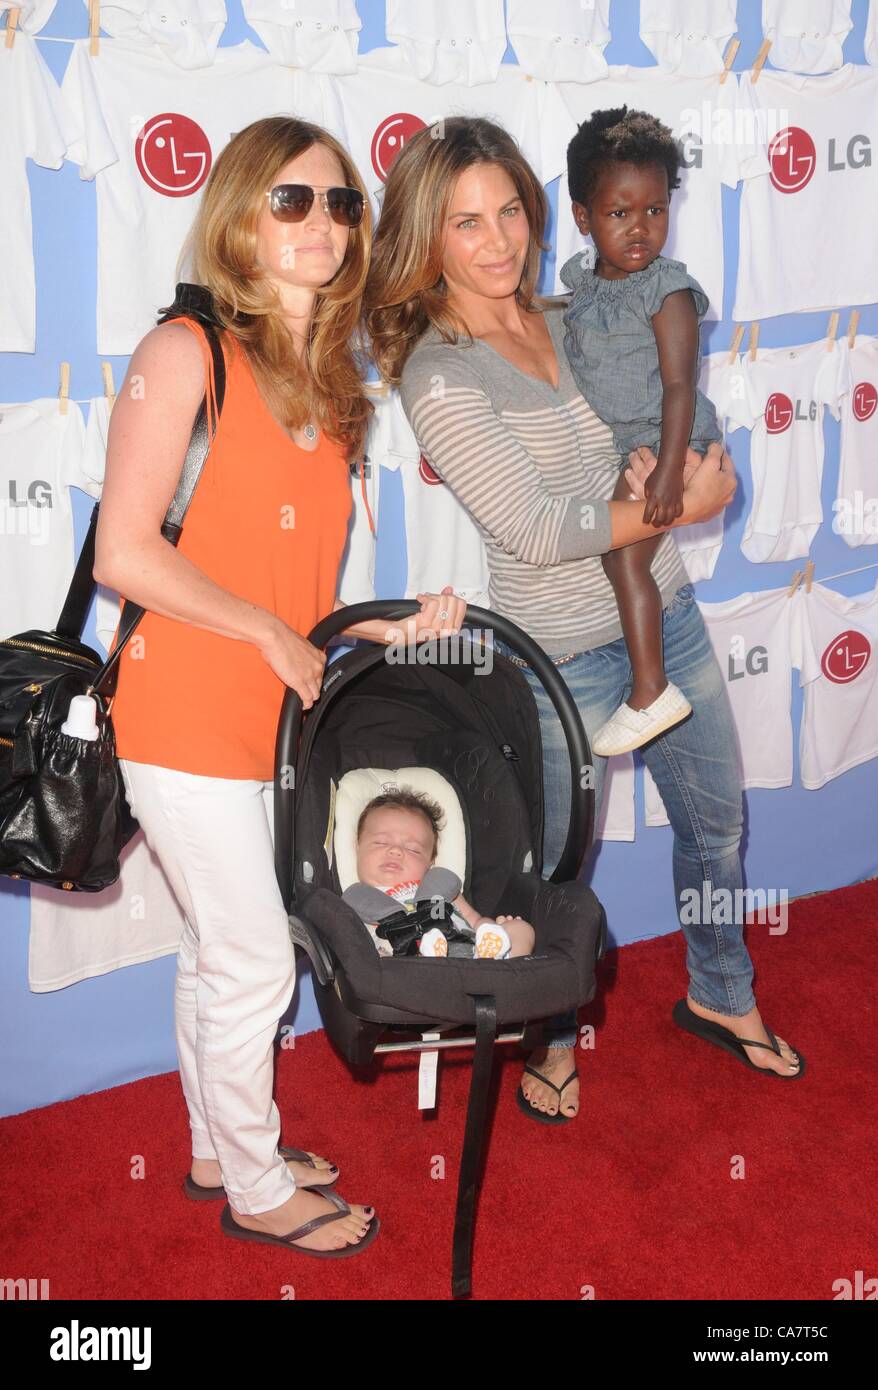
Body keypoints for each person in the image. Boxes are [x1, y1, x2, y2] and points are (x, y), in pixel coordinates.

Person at [364, 115, 804, 1123]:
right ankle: (549, 1034)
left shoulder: (574, 312)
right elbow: (533, 524)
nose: (495, 242)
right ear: (427, 237)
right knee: (555, 868)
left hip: (668, 614)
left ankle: (718, 991)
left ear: (535, 208)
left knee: (718, 826)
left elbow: (660, 405)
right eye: (463, 222)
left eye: (507, 211)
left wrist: (699, 467)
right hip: (558, 658)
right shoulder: (441, 371)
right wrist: (679, 506)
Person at [95, 116, 467, 1257]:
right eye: (291, 200)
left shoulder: (328, 380)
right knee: (255, 956)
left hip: (268, 723)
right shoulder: (184, 352)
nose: (322, 223)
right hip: (177, 712)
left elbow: (289, 587)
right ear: (241, 217)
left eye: (341, 202)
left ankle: (218, 1146)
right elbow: (124, 553)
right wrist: (264, 628)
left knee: (218, 950)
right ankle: (255, 1188)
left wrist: (385, 621)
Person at [560, 105, 724, 758]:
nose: (640, 229)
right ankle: (650, 683)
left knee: (622, 556)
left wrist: (667, 466)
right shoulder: (583, 287)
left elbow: (681, 386)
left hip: (673, 442)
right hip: (637, 448)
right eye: (619, 213)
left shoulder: (668, 290)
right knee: (616, 555)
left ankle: (649, 688)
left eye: (655, 211)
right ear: (584, 217)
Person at [343, 788, 535, 959]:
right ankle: (430, 957)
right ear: (358, 848)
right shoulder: (357, 904)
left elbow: (475, 920)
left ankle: (495, 960)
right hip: (407, 963)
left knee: (522, 929)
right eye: (381, 843)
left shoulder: (439, 887)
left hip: (470, 952)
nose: (396, 851)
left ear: (430, 862)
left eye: (413, 849)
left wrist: (491, 927)